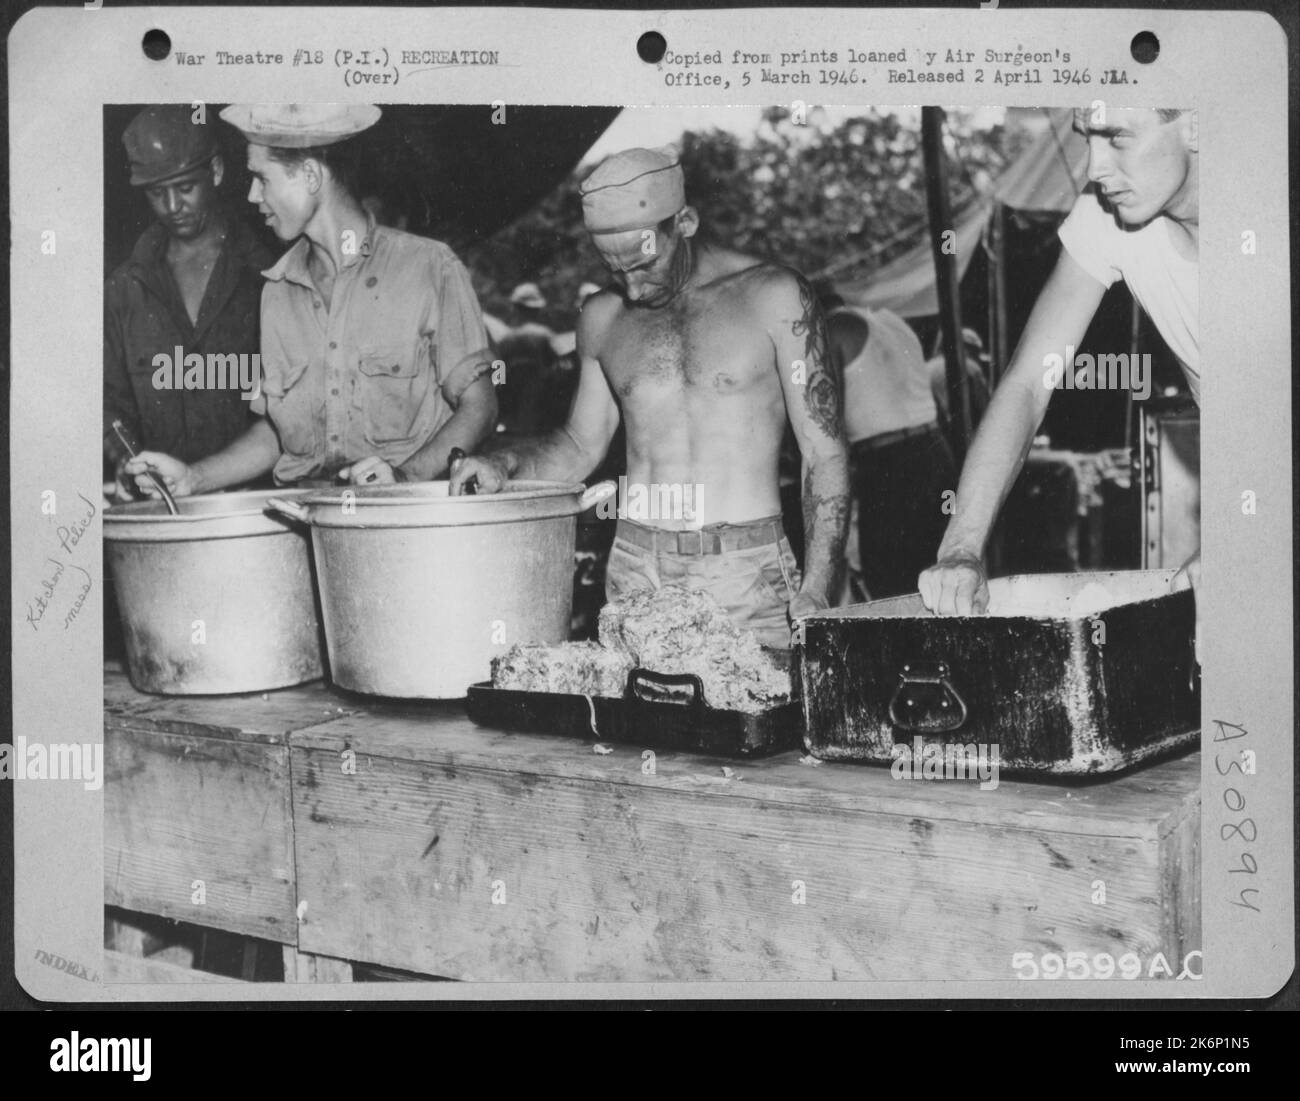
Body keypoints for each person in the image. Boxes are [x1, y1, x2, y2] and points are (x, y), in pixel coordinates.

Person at [450, 146, 849, 649]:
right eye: (616, 270)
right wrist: (504, 465)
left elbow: (824, 452)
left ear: (684, 221)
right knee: (629, 726)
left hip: (743, 573)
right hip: (636, 567)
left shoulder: (775, 297)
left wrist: (817, 587)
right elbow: (579, 445)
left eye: (644, 264)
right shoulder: (602, 317)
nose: (634, 290)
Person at [919, 107, 1199, 638]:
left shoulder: (1270, 214)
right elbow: (1029, 381)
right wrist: (961, 548)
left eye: (1117, 135)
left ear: (1197, 122)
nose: (1094, 167)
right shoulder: (1105, 214)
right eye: (1086, 138)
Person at [125, 104, 497, 496]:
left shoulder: (429, 268)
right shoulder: (277, 290)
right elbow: (277, 434)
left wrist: (405, 479)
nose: (252, 196)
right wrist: (193, 478)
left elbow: (480, 406)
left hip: (405, 526)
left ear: (310, 175)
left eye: (261, 178)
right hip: (309, 519)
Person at [104, 106, 273, 499]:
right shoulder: (124, 290)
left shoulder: (269, 275)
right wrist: (125, 463)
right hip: (160, 512)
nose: (172, 206)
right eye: (156, 192)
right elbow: (109, 407)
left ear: (214, 172)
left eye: (184, 187)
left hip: (252, 513)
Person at [822, 285, 957, 599]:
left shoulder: (833, 328)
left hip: (890, 464)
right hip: (934, 451)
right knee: (935, 576)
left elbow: (827, 424)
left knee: (891, 584)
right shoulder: (892, 320)